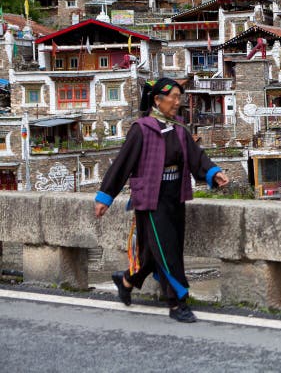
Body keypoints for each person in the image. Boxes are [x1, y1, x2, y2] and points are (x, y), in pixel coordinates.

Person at [94, 77, 229, 322]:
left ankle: (126, 281)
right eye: (174, 97)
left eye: (179, 97)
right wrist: (105, 196)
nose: (178, 102)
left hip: (174, 195)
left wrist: (213, 172)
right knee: (167, 251)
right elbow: (122, 164)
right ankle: (178, 302)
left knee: (156, 252)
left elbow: (196, 156)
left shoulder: (178, 129)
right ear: (157, 100)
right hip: (151, 199)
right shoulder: (142, 129)